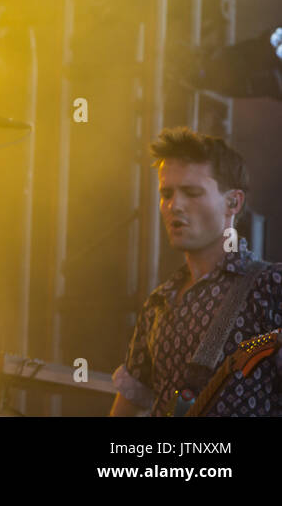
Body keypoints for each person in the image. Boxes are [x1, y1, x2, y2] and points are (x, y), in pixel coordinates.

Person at [110, 127, 282, 416]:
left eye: (192, 192)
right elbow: (127, 407)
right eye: (166, 193)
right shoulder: (159, 303)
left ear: (233, 202)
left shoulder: (270, 286)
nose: (174, 205)